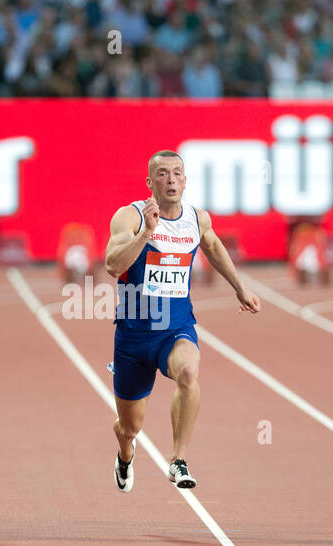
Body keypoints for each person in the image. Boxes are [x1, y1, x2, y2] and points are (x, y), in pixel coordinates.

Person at [104, 150, 260, 491]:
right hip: (134, 334)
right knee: (131, 426)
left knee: (189, 371)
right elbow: (113, 265)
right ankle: (125, 451)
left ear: (185, 180)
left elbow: (214, 246)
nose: (171, 180)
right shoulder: (129, 217)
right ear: (150, 182)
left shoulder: (197, 218)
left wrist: (240, 287)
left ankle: (178, 460)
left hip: (175, 327)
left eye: (177, 173)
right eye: (162, 174)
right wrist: (146, 232)